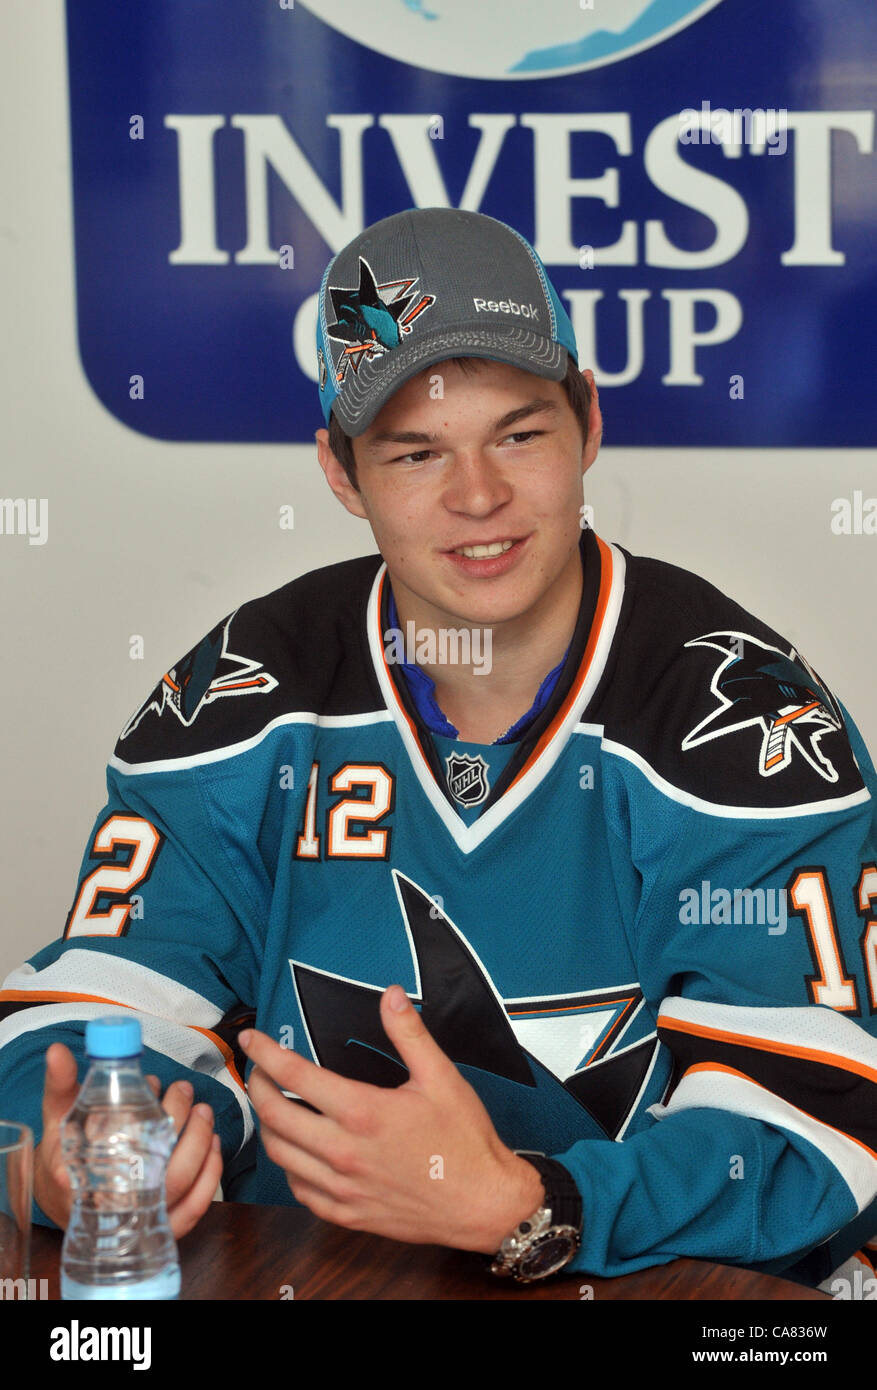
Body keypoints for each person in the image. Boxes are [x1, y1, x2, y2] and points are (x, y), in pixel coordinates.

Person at [2, 206, 876, 1289]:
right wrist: (76, 1153)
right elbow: (103, 1012)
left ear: (588, 422)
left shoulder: (736, 717)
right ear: (339, 471)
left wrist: (528, 1204)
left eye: (518, 433)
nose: (478, 497)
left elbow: (814, 1134)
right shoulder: (245, 694)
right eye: (415, 451)